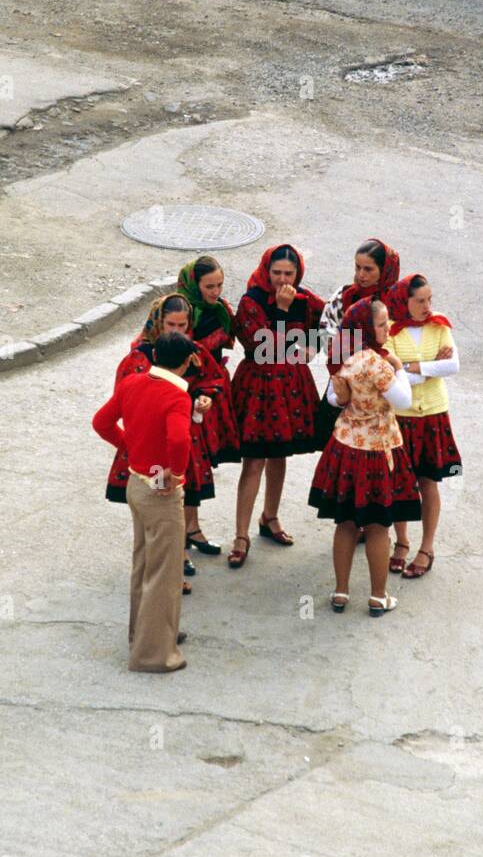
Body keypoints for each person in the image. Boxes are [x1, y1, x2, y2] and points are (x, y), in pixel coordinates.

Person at [92, 332, 196, 673]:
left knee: (143, 563)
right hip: (159, 492)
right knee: (165, 572)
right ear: (184, 362)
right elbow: (180, 440)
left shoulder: (133, 383)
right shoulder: (177, 397)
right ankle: (153, 654)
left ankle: (147, 634)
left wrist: (129, 447)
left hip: (136, 483)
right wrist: (175, 474)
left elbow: (101, 422)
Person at [309, 298, 420, 616]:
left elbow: (333, 397)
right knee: (377, 527)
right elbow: (403, 400)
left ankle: (341, 591)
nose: (387, 329)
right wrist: (398, 369)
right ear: (367, 328)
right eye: (382, 324)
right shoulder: (378, 363)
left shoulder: (345, 357)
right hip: (377, 452)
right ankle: (378, 596)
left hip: (345, 449)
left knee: (344, 523)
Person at [228, 243, 325, 567]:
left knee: (279, 455)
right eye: (277, 273)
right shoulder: (251, 301)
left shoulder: (305, 300)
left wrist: (312, 347)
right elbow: (258, 345)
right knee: (254, 461)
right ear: (266, 271)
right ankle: (241, 535)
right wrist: (282, 311)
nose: (283, 280)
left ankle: (269, 518)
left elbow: (328, 324)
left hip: (291, 388)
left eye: (289, 274)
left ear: (298, 273)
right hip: (259, 387)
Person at [141, 291, 240, 556]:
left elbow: (214, 378)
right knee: (165, 492)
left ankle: (191, 529)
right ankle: (175, 552)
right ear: (159, 323)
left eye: (182, 326)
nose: (177, 331)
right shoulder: (141, 354)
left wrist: (204, 396)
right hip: (158, 434)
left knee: (190, 482)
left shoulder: (194, 351)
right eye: (171, 325)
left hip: (190, 430)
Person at [384, 274, 462, 579]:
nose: (427, 306)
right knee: (398, 482)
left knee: (429, 482)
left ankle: (426, 548)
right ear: (405, 301)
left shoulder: (440, 325)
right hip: (401, 415)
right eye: (420, 301)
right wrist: (431, 368)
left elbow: (453, 366)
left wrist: (412, 368)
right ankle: (401, 542)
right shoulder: (390, 329)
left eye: (429, 299)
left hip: (432, 415)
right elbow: (391, 377)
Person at [316, 237, 401, 449]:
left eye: (368, 269)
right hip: (345, 382)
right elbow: (326, 330)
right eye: (357, 267)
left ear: (385, 270)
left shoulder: (398, 303)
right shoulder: (344, 296)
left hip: (384, 388)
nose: (361, 274)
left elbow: (401, 343)